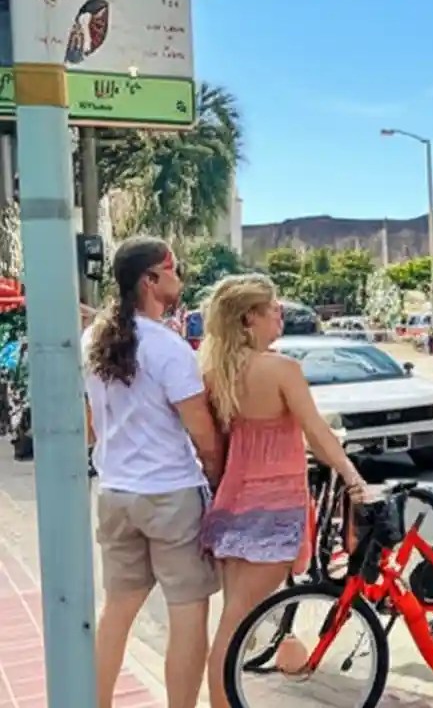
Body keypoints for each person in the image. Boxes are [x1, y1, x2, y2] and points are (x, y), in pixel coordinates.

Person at [197, 274, 369, 708]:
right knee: (237, 625)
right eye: (271, 307)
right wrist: (351, 476)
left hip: (233, 503)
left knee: (233, 618)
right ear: (249, 318)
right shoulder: (281, 369)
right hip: (273, 509)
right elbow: (316, 432)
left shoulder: (217, 370)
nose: (280, 313)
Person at [83, 237, 225, 708]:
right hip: (170, 496)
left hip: (115, 493)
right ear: (151, 279)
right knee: (187, 615)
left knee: (117, 612)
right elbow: (203, 435)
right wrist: (219, 480)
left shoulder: (95, 339)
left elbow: (90, 427)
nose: (179, 277)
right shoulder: (169, 348)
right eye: (174, 268)